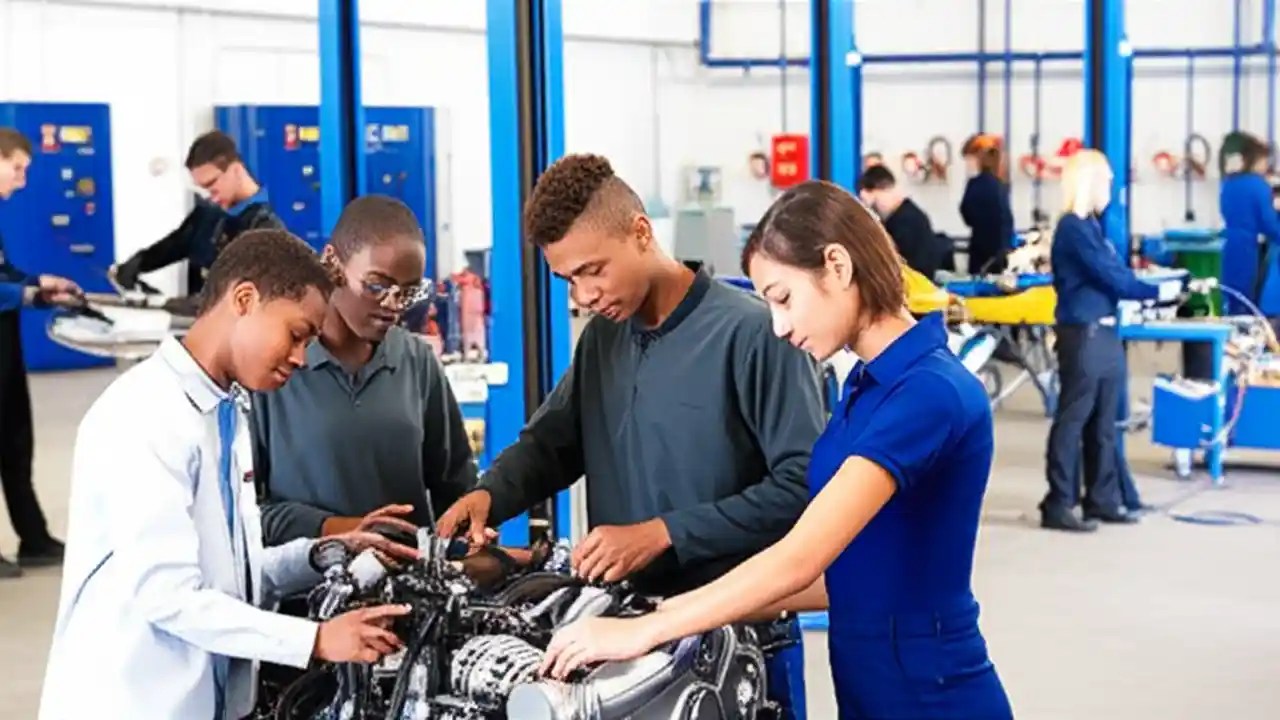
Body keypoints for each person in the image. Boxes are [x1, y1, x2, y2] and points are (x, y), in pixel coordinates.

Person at [536, 179, 1012, 719]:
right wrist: (665, 609)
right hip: (870, 685)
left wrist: (650, 629)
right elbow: (848, 578)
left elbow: (801, 557)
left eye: (784, 299)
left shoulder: (928, 394)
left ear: (837, 266)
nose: (780, 327)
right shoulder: (866, 389)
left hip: (933, 695)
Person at [434, 154, 824, 718]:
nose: (583, 295)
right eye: (569, 280)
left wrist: (663, 533)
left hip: (743, 638)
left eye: (593, 270)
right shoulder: (602, 341)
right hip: (627, 638)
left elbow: (804, 485)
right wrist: (489, 494)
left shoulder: (754, 334)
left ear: (641, 232)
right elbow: (551, 445)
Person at [38, 229, 416, 720]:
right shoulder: (145, 416)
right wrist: (316, 639)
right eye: (296, 334)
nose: (301, 358)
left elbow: (231, 575)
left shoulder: (225, 412)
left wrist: (323, 553)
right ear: (244, 300)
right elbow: (168, 595)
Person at [253, 195, 477, 545]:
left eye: (408, 292)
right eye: (377, 286)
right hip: (306, 578)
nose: (393, 305)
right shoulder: (273, 368)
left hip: (408, 576)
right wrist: (345, 530)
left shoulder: (417, 362)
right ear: (332, 264)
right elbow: (243, 515)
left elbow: (457, 491)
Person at [1040, 150, 1183, 532]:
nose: (1110, 188)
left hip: (1104, 332)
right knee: (1074, 418)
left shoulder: (1092, 227)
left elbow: (1116, 269)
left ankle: (1102, 499)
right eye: (1104, 181)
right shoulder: (1072, 229)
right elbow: (1112, 276)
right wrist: (1159, 292)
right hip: (1083, 333)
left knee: (1104, 422)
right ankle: (1059, 502)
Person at [0, 127, 84, 578]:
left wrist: (39, 284)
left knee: (16, 440)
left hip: (6, 345)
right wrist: (26, 294)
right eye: (17, 168)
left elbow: (5, 274)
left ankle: (33, 538)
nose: (22, 180)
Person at [111, 130, 282, 299]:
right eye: (203, 188)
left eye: (211, 185)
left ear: (236, 170)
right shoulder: (208, 215)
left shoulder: (267, 230)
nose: (210, 196)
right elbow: (175, 244)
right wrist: (138, 263)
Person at [1219, 132, 1280, 317]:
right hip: (1249, 247)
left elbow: (1225, 211)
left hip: (1229, 244)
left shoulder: (1228, 184)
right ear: (1256, 160)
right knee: (1249, 299)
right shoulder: (1258, 185)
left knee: (1231, 295)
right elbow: (1268, 223)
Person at [857, 164, 944, 279]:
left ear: (884, 190)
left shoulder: (907, 222)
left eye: (873, 204)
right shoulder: (904, 216)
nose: (874, 211)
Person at [959, 133, 1015, 275]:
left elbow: (967, 214)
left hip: (981, 256)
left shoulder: (976, 186)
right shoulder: (1001, 185)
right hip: (1002, 255)